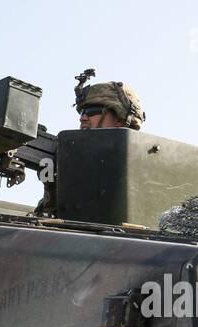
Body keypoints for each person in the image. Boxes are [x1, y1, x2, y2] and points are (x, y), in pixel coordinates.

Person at [34, 69, 146, 216]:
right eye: (82, 112)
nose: (83, 118)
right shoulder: (72, 157)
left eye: (92, 110)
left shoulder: (140, 165)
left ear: (120, 119)